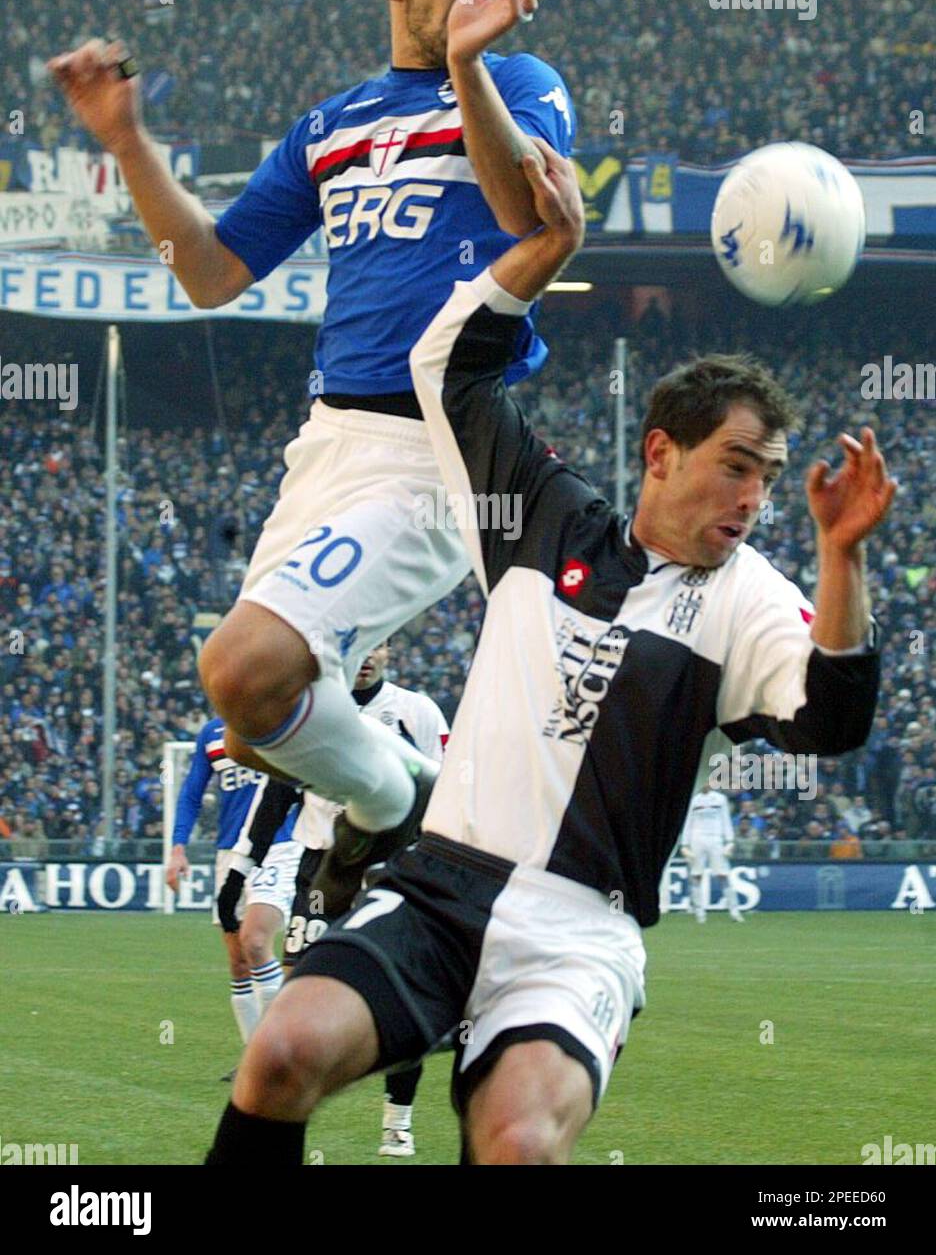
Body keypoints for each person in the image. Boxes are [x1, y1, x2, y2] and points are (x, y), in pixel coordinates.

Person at [205, 143, 895, 1165]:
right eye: (736, 466)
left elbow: (833, 720)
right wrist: (548, 244)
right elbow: (448, 367)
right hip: (441, 888)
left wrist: (842, 558)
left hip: (577, 932)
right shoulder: (542, 515)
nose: (755, 498)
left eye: (769, 474)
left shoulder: (750, 598)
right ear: (661, 451)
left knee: (519, 1141)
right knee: (280, 1053)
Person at [48, 0, 575, 896]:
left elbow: (522, 215)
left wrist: (469, 65)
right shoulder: (331, 125)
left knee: (246, 667)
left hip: (436, 442)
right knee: (256, 721)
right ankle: (405, 798)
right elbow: (209, 273)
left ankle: (397, 803)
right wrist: (126, 140)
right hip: (328, 441)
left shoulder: (522, 83)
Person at [219, 639, 449, 1157]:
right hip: (321, 868)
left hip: (393, 869)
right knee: (297, 994)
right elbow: (276, 795)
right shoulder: (314, 712)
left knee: (401, 988)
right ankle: (281, 1114)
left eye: (378, 645)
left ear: (391, 650)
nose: (367, 656)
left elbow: (448, 786)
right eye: (359, 646)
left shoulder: (417, 712)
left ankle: (397, 1121)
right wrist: (241, 870)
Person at [166, 717, 300, 1063]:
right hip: (229, 852)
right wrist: (178, 847)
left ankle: (276, 1056)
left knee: (255, 942)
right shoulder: (211, 734)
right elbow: (191, 794)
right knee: (239, 962)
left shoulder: (279, 718)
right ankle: (253, 1060)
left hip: (277, 845)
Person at [679, 777, 742, 922]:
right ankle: (699, 913)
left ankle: (734, 911)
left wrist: (730, 840)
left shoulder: (720, 799)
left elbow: (726, 820)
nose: (705, 785)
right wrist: (685, 844)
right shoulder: (694, 800)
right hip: (697, 839)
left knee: (723, 874)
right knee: (696, 875)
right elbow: (688, 822)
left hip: (715, 839)